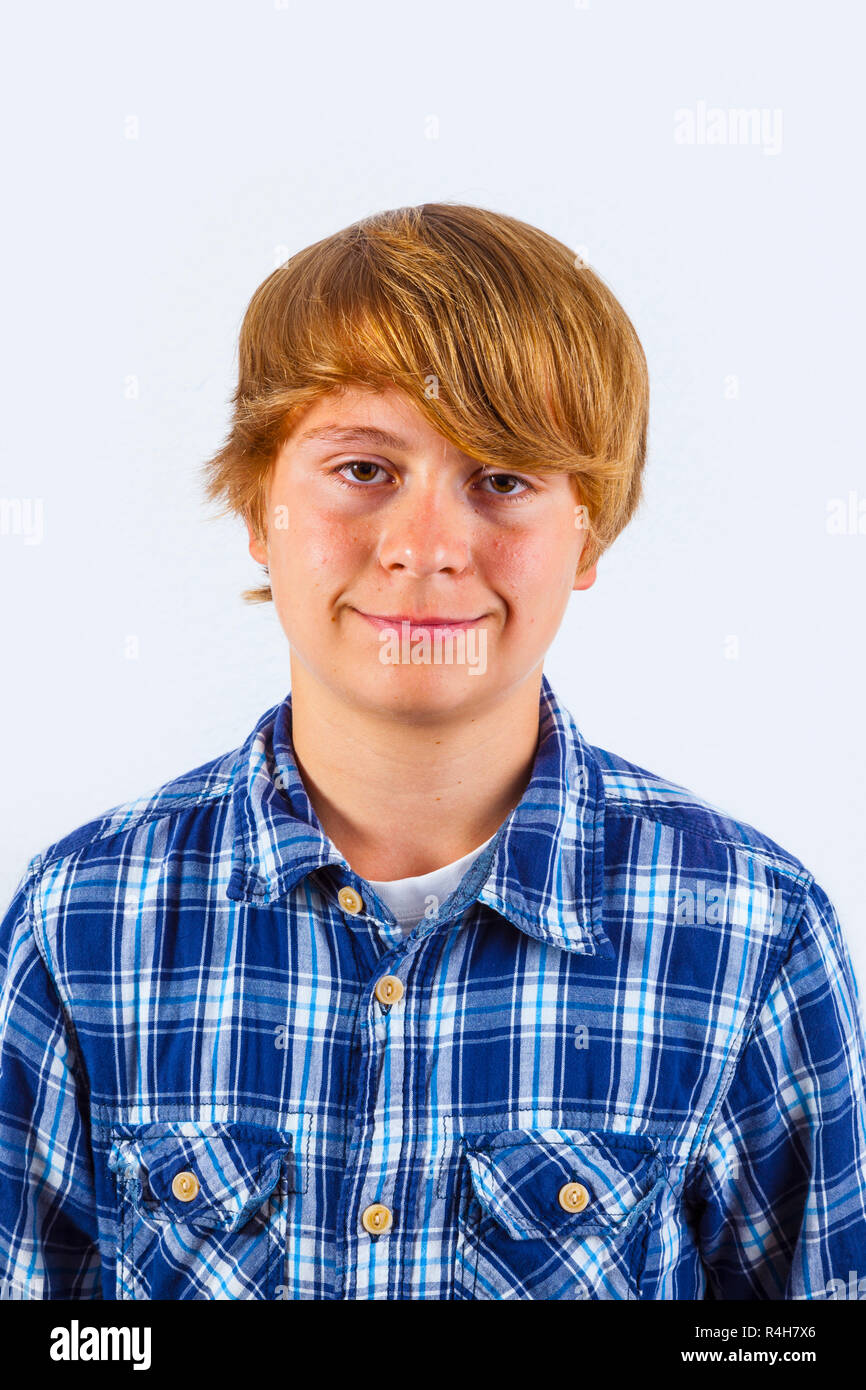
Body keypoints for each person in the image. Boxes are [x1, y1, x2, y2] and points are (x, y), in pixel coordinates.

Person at [1, 203, 864, 1301]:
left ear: (585, 531)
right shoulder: (83, 922)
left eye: (502, 479)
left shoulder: (751, 935)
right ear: (259, 508)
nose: (425, 548)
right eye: (363, 470)